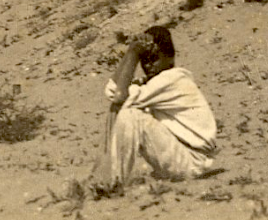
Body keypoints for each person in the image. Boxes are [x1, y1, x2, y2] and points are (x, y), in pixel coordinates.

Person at [89, 25, 217, 191]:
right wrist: (131, 53)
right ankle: (102, 176)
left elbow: (120, 95)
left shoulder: (173, 79)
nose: (149, 66)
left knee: (130, 115)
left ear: (170, 58)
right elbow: (112, 92)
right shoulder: (152, 82)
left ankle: (113, 183)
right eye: (145, 61)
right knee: (119, 108)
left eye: (154, 59)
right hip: (182, 156)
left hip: (193, 161)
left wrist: (134, 54)